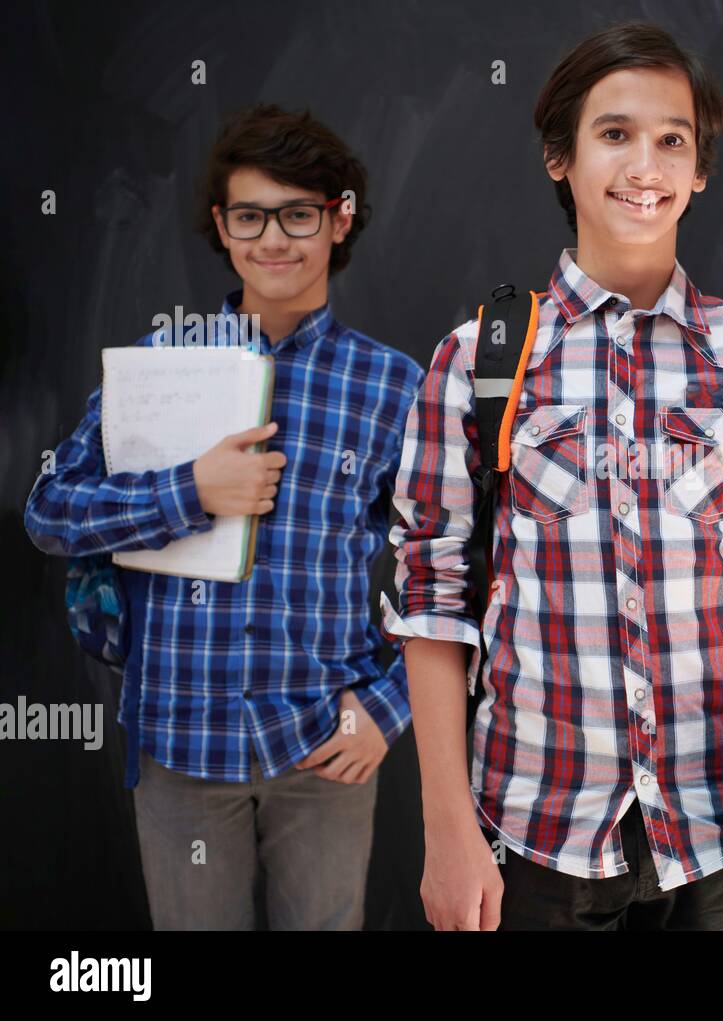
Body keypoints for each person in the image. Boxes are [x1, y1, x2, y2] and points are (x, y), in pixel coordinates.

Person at [383, 21, 723, 931]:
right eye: (614, 134)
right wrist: (446, 827)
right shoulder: (479, 360)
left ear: (700, 170)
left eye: (671, 139)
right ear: (559, 157)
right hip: (534, 823)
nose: (645, 164)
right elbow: (433, 591)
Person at [24, 103, 424, 930]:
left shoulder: (393, 386)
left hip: (325, 745)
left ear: (339, 219)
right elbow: (47, 511)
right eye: (250, 215)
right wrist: (188, 491)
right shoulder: (161, 368)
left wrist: (387, 709)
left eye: (298, 214)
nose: (272, 239)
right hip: (180, 744)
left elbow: (452, 563)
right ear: (221, 223)